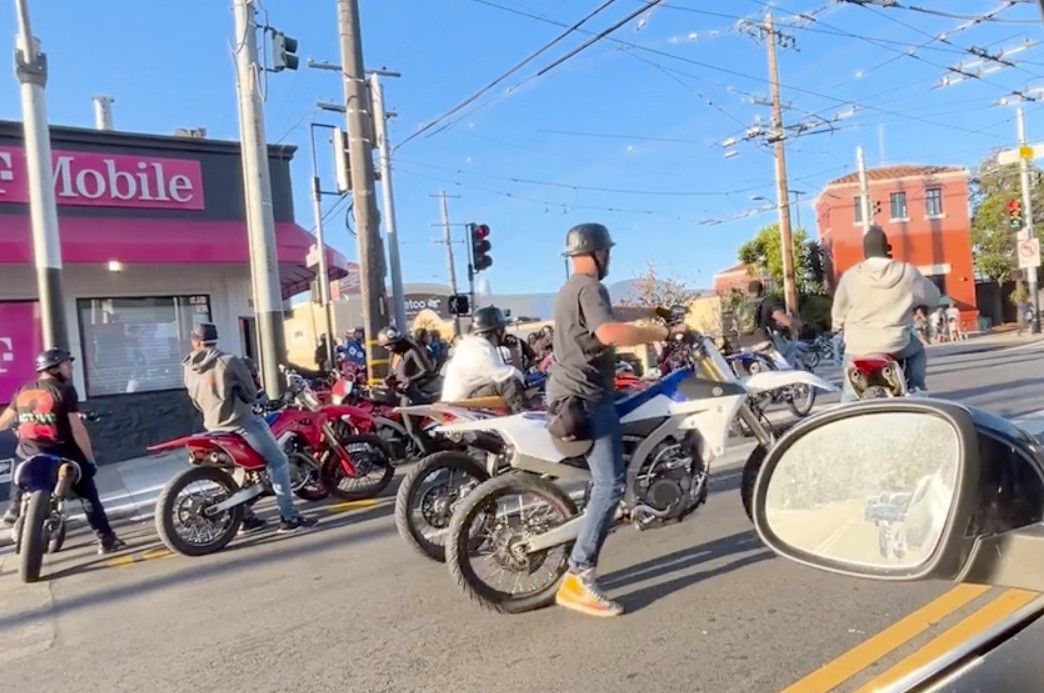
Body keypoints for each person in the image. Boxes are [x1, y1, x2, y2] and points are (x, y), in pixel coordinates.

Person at [547, 222, 669, 618]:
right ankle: (579, 574)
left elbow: (612, 313)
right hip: (586, 399)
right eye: (608, 252)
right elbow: (609, 332)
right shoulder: (589, 287)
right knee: (610, 483)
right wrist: (657, 332)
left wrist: (652, 310)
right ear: (598, 253)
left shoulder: (572, 290)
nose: (610, 258)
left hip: (575, 393)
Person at [183, 323, 316, 533]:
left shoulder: (189, 366)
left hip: (212, 426)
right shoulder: (228, 361)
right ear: (214, 339)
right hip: (240, 424)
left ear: (195, 342)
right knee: (279, 462)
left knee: (237, 472)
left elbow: (195, 401)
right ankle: (289, 518)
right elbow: (252, 394)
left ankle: (245, 518)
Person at [0, 349, 126, 554]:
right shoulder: (65, 390)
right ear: (54, 367)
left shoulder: (23, 389)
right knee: (88, 494)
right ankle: (105, 539)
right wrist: (89, 459)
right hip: (62, 455)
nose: (71, 368)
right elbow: (77, 429)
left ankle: (15, 507)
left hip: (30, 453)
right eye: (67, 364)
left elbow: (4, 421)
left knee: (22, 465)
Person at [831, 225, 940, 400]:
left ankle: (849, 404)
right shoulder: (907, 273)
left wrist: (838, 326)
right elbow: (934, 297)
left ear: (865, 251)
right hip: (896, 344)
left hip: (858, 346)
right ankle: (917, 390)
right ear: (887, 248)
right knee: (918, 350)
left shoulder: (850, 277)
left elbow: (838, 312)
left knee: (849, 395)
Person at [441, 306, 529, 412]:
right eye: (503, 329)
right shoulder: (480, 349)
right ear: (497, 331)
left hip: (463, 397)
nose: (506, 333)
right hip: (460, 403)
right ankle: (525, 416)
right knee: (508, 382)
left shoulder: (473, 345)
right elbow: (507, 375)